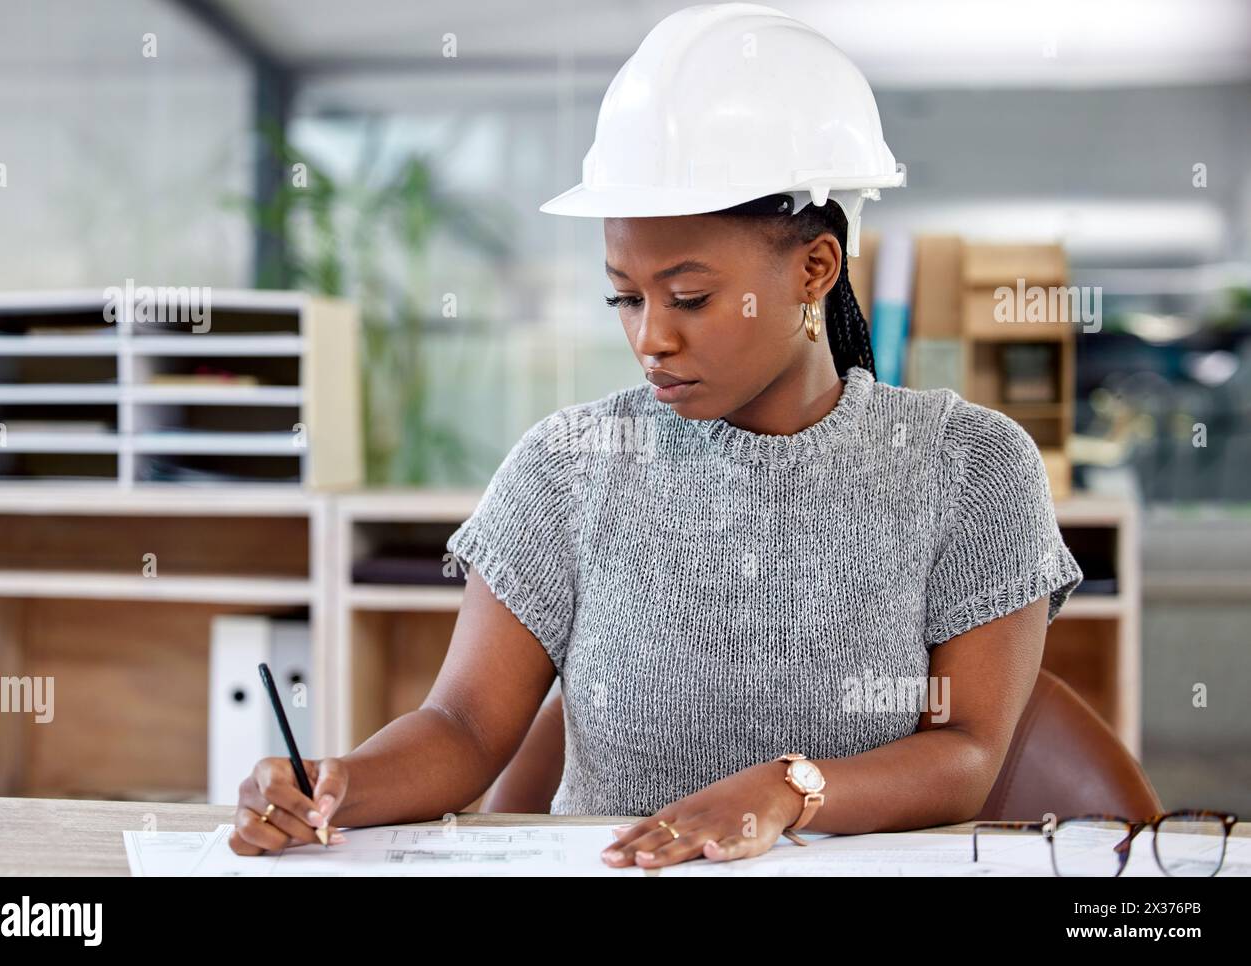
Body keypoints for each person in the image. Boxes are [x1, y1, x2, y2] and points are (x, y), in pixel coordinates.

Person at [228, 3, 1083, 869]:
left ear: (815, 269)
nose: (650, 340)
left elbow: (969, 751)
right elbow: (464, 726)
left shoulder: (970, 467)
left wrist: (788, 791)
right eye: (625, 297)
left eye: (690, 298)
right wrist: (338, 784)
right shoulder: (567, 467)